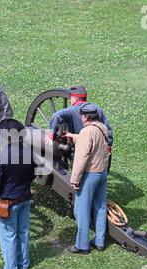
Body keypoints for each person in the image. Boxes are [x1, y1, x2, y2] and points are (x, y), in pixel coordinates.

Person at [0, 119, 36, 269]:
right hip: (25, 198)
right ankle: (24, 264)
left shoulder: (2, 155)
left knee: (8, 235)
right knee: (23, 232)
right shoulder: (29, 152)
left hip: (8, 201)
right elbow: (32, 174)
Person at [68, 104, 109, 254]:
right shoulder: (102, 128)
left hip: (90, 175)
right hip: (102, 173)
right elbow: (94, 140)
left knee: (81, 210)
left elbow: (82, 157)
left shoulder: (86, 131)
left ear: (86, 116)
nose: (81, 118)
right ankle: (99, 241)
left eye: (82, 116)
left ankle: (82, 245)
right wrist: (74, 137)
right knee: (100, 206)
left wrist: (75, 179)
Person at [47, 86, 113, 173]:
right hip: (97, 148)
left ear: (75, 98)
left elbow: (56, 116)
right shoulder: (97, 109)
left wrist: (51, 136)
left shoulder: (70, 111)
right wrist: (108, 144)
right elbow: (107, 128)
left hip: (79, 148)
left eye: (71, 97)